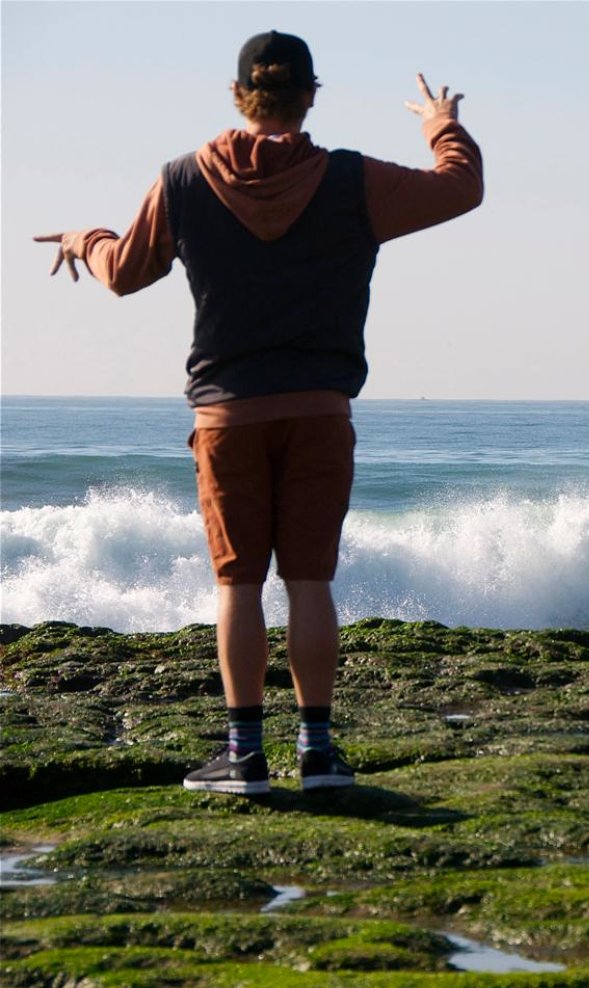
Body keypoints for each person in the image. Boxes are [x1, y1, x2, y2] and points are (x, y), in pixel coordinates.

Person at [35, 31, 483, 796]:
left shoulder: (182, 179)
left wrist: (87, 236)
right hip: (318, 409)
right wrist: (439, 121)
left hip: (227, 414)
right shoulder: (351, 182)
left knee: (238, 585)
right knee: (310, 580)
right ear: (310, 95)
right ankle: (317, 753)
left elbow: (122, 274)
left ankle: (244, 754)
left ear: (239, 94)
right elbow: (461, 186)